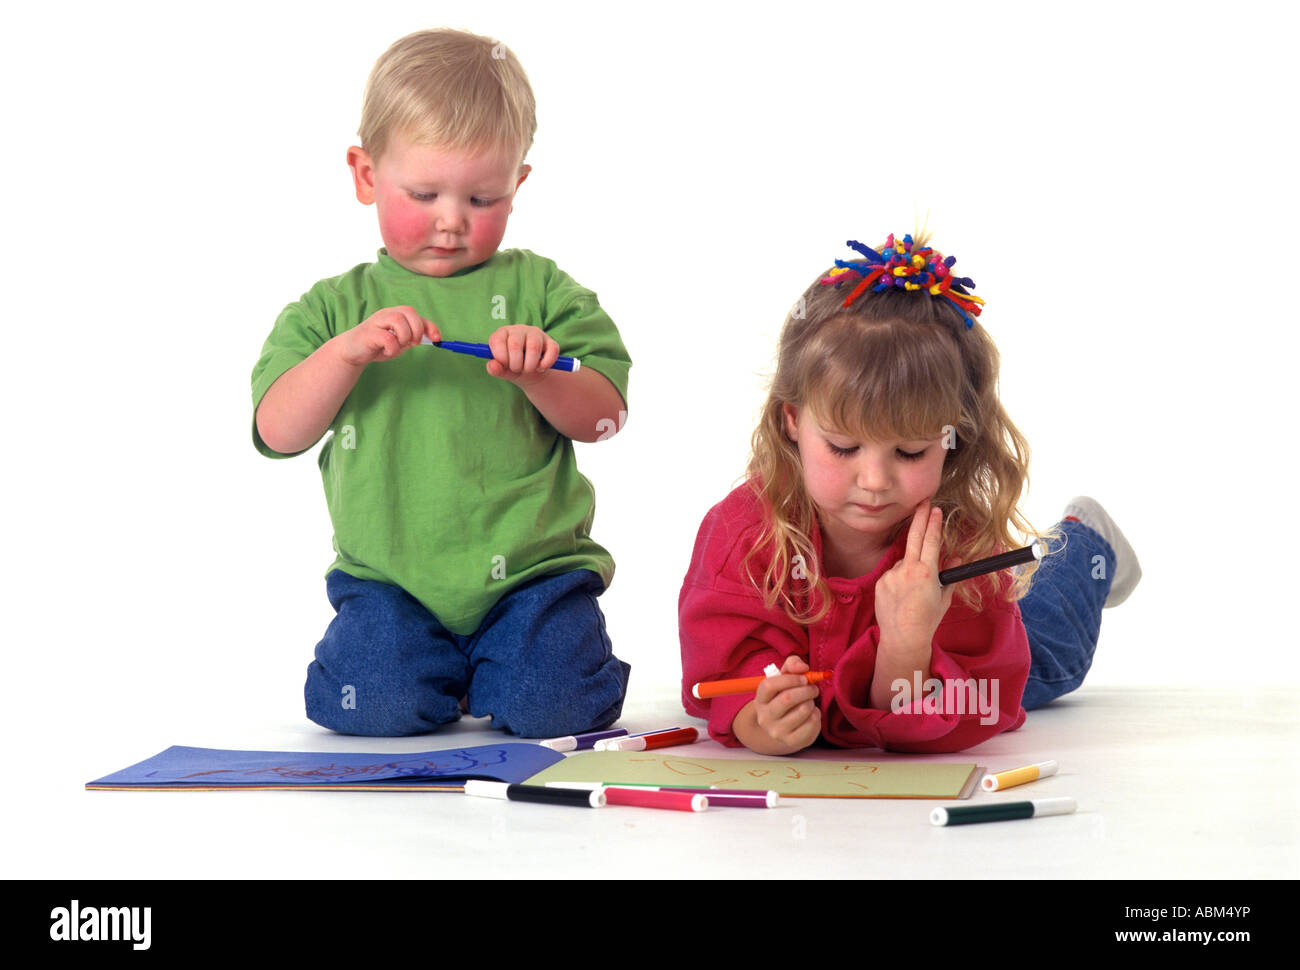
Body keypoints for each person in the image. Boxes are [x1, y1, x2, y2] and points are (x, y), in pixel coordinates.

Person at [250, 28, 632, 738]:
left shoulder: (543, 290)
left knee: (554, 706)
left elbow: (605, 415)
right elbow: (277, 432)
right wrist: (344, 356)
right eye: (423, 192)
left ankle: (500, 666)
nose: (452, 221)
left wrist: (544, 373)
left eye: (483, 198)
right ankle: (443, 672)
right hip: (389, 586)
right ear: (365, 175)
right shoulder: (332, 308)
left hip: (531, 580)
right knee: (378, 703)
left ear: (518, 183)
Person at [679, 233, 1140, 754]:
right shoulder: (742, 530)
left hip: (950, 677)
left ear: (953, 438)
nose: (875, 482)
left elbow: (960, 716)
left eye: (911, 453)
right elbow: (718, 674)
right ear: (792, 420)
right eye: (843, 446)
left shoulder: (964, 549)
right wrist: (755, 722)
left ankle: (1085, 544)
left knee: (1048, 649)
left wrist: (906, 644)